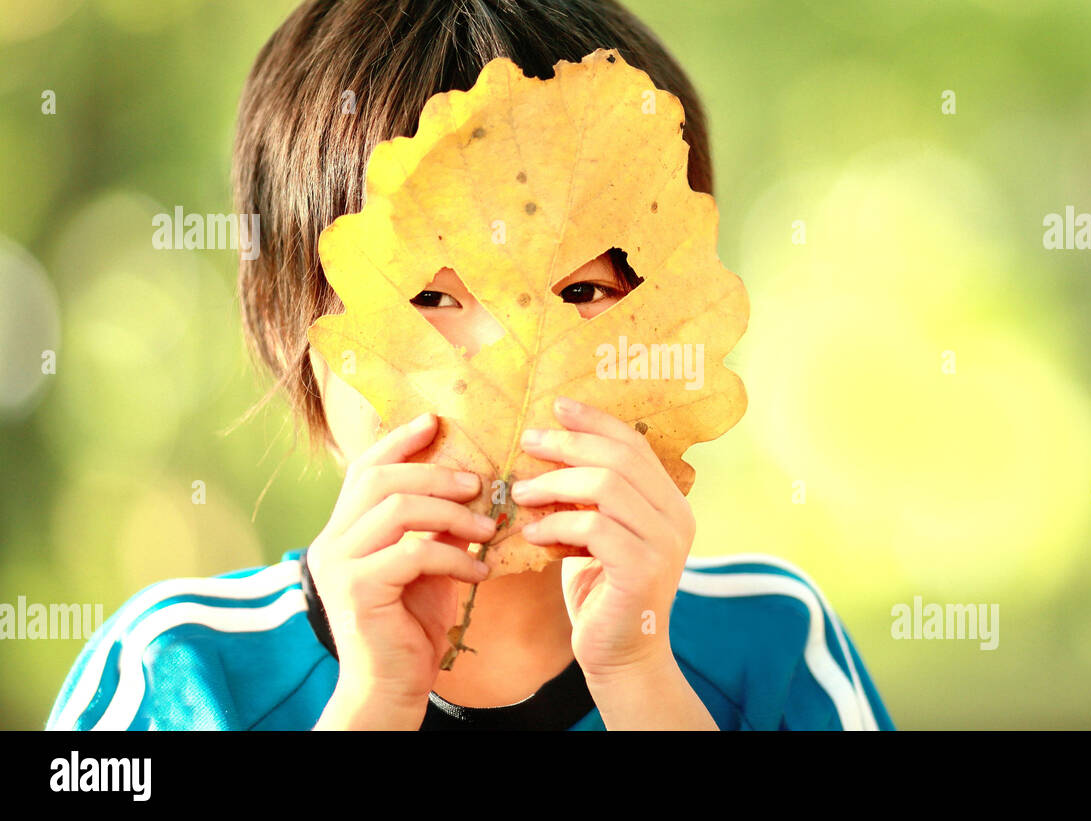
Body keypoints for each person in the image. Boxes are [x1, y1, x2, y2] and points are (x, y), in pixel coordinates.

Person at [47, 0, 892, 731]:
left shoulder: (776, 643)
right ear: (288, 326)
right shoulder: (174, 670)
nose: (505, 357)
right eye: (429, 297)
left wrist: (641, 676)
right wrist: (371, 700)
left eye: (588, 288)